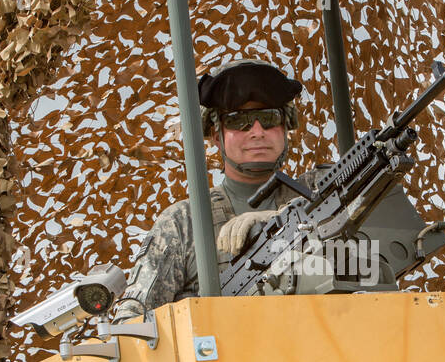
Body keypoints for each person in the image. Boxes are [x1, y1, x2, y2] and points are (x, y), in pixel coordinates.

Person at [111, 58, 329, 320]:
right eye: (240, 121)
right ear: (216, 135)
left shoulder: (321, 194)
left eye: (269, 118)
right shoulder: (184, 224)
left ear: (285, 127)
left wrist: (280, 220)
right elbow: (132, 322)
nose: (258, 131)